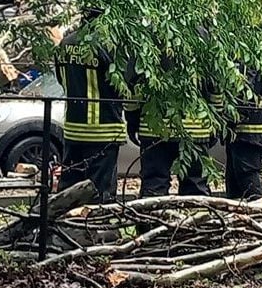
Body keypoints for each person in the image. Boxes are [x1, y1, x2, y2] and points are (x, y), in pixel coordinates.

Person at [57, 13, 132, 205]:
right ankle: (98, 230)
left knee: (69, 189)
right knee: (100, 192)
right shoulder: (107, 44)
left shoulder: (66, 43)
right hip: (103, 130)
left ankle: (61, 228)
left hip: (73, 129)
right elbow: (124, 84)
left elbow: (61, 79)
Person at [136, 89, 212, 198]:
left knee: (154, 186)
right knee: (195, 188)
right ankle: (198, 213)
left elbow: (135, 90)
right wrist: (213, 124)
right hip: (195, 130)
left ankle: (153, 213)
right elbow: (215, 89)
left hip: (154, 128)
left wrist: (133, 119)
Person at [223, 65, 262, 200]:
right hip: (244, 132)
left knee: (247, 177)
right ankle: (239, 215)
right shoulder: (257, 56)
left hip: (250, 131)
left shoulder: (246, 60)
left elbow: (243, 93)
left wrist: (226, 117)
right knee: (235, 183)